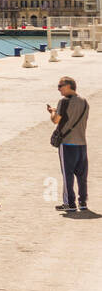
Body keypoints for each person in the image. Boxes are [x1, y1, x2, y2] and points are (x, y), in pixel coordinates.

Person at [48, 76, 90, 212]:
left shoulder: (63, 101)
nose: (58, 89)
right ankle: (83, 201)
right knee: (82, 175)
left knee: (68, 174)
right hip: (82, 143)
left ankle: (69, 203)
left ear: (68, 86)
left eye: (60, 86)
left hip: (67, 144)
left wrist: (53, 112)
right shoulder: (84, 102)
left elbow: (56, 120)